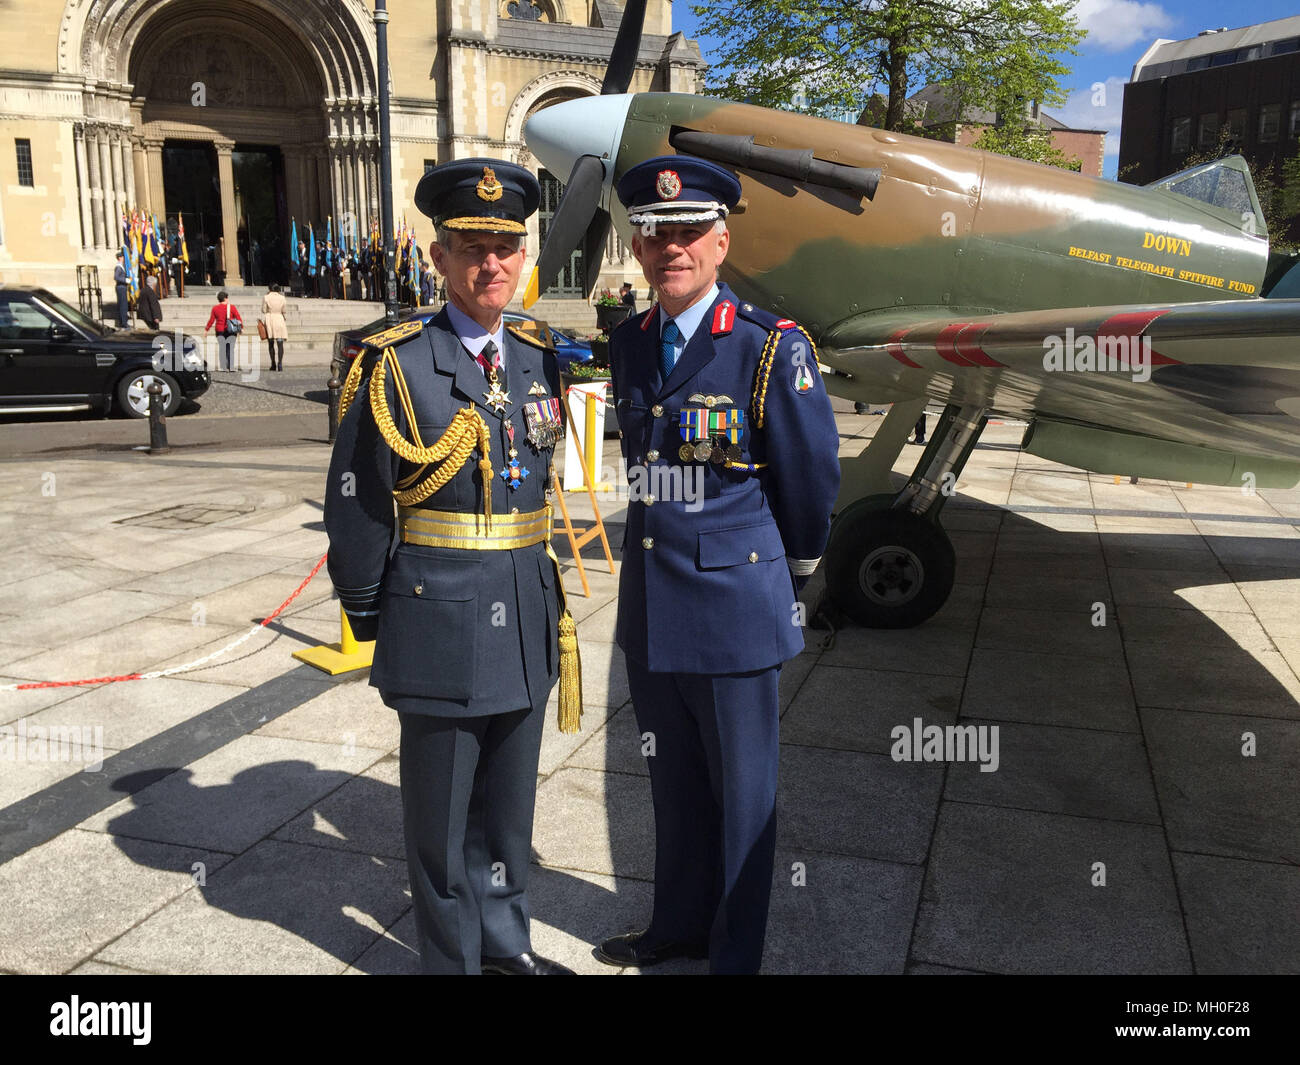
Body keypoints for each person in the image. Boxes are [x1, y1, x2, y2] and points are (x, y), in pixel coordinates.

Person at [324, 159, 576, 976]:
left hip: (528, 610)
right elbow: (358, 495)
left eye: (505, 246)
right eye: (472, 247)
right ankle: (451, 963)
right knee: (439, 824)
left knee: (509, 816)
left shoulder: (539, 355)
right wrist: (368, 607)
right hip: (436, 619)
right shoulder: (396, 361)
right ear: (439, 258)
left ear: (523, 253)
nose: (490, 263)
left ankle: (506, 950)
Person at [594, 156, 841, 975]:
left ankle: (735, 958)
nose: (674, 247)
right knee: (673, 788)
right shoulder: (629, 343)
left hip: (735, 608)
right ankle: (678, 927)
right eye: (658, 232)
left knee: (743, 802)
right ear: (638, 245)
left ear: (721, 240)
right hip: (655, 610)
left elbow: (808, 481)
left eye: (691, 231)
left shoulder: (772, 348)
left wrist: (789, 577)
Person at [204, 290, 242, 371]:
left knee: (222, 348)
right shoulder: (232, 307)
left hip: (219, 330)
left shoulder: (215, 308)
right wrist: (241, 327)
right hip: (231, 330)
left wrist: (206, 329)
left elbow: (211, 320)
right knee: (230, 348)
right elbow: (238, 318)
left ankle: (224, 366)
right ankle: (231, 366)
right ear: (225, 298)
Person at [261, 283, 288, 371]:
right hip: (279, 319)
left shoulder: (266, 297)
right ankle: (280, 363)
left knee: (271, 343)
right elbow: (284, 310)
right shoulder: (282, 297)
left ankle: (273, 363)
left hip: (270, 319)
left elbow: (264, 310)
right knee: (280, 344)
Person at [113, 251, 129, 328]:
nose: (123, 258)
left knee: (123, 305)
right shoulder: (118, 267)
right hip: (121, 287)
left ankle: (123, 321)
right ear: (120, 258)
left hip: (122, 287)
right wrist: (125, 280)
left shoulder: (121, 266)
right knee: (123, 305)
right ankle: (124, 323)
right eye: (122, 257)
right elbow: (116, 277)